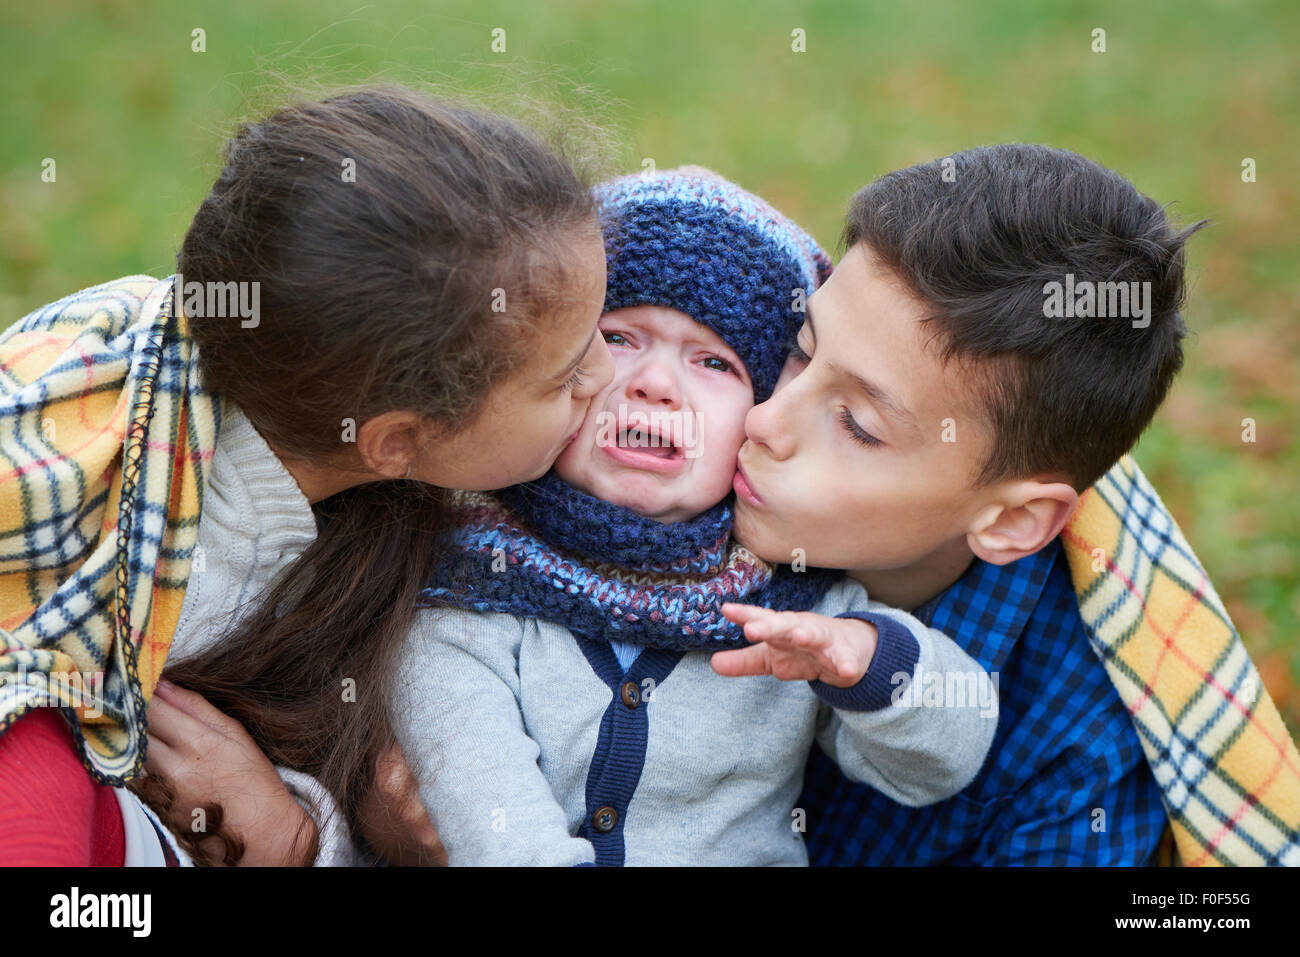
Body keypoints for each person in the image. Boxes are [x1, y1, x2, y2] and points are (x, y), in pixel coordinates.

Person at [0, 85, 616, 865]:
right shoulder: (141, 553)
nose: (608, 370)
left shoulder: (351, 426)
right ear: (397, 442)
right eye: (565, 376)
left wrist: (302, 838)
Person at [390, 168, 1000, 866]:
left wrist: (869, 659)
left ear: (767, 410)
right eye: (618, 338)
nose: (654, 383)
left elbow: (947, 757)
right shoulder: (466, 587)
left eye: (714, 361)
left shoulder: (789, 604)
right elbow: (498, 831)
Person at [730, 144, 1300, 865]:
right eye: (803, 349)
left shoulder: (1074, 763)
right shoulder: (673, 467)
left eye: (857, 425)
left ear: (1010, 521)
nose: (763, 421)